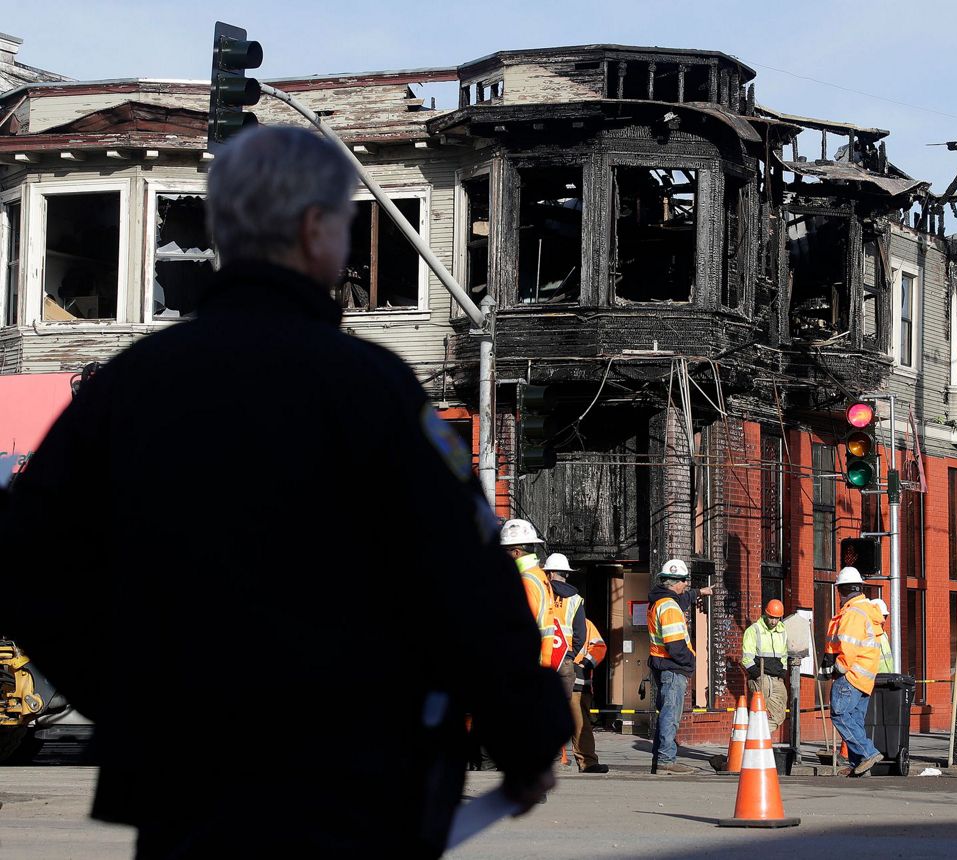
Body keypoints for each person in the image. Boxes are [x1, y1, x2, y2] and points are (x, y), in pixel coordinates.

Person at [0, 126, 571, 858]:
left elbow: (27, 563)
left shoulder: (129, 388)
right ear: (312, 230)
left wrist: (129, 699)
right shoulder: (369, 389)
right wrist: (525, 732)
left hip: (185, 794)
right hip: (348, 786)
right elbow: (461, 574)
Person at [544, 552, 608, 774]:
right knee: (579, 721)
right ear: (566, 575)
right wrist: (577, 661)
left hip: (544, 663)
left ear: (548, 573)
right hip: (571, 670)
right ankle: (586, 761)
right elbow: (585, 638)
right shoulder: (575, 602)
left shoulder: (539, 595)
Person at [647, 558, 712, 774]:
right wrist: (690, 662)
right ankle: (666, 759)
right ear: (676, 583)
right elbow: (675, 645)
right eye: (685, 581)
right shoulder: (670, 607)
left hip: (661, 664)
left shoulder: (660, 600)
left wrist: (700, 593)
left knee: (665, 711)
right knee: (670, 714)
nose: (686, 585)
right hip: (673, 667)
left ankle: (661, 757)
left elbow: (684, 599)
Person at [820, 566, 885, 777]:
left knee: (839, 714)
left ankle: (867, 753)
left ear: (844, 589)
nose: (839, 594)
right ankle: (860, 765)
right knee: (854, 719)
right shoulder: (866, 611)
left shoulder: (853, 613)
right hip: (864, 677)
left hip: (851, 674)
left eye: (840, 590)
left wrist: (836, 668)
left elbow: (848, 648)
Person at [500, 519, 557, 668]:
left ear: (516, 552)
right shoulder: (538, 575)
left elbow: (521, 629)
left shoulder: (524, 581)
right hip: (539, 660)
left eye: (504, 551)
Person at [741, 599, 788, 733]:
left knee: (779, 713)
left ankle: (758, 736)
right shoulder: (754, 630)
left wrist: (783, 670)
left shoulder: (782, 631)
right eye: (771, 618)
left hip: (776, 677)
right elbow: (747, 657)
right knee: (760, 711)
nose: (774, 622)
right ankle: (755, 738)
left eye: (777, 618)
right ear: (766, 615)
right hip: (761, 676)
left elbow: (784, 654)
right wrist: (756, 674)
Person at [574, 616, 609, 774]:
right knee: (581, 724)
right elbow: (599, 647)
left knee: (581, 724)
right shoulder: (583, 622)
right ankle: (587, 762)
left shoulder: (583, 623)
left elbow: (598, 647)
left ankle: (587, 761)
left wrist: (583, 665)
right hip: (576, 681)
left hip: (575, 681)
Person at [870, 598, 895, 674]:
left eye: (885, 616)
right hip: (874, 679)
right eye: (882, 616)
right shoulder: (868, 635)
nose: (883, 619)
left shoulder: (883, 634)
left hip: (887, 677)